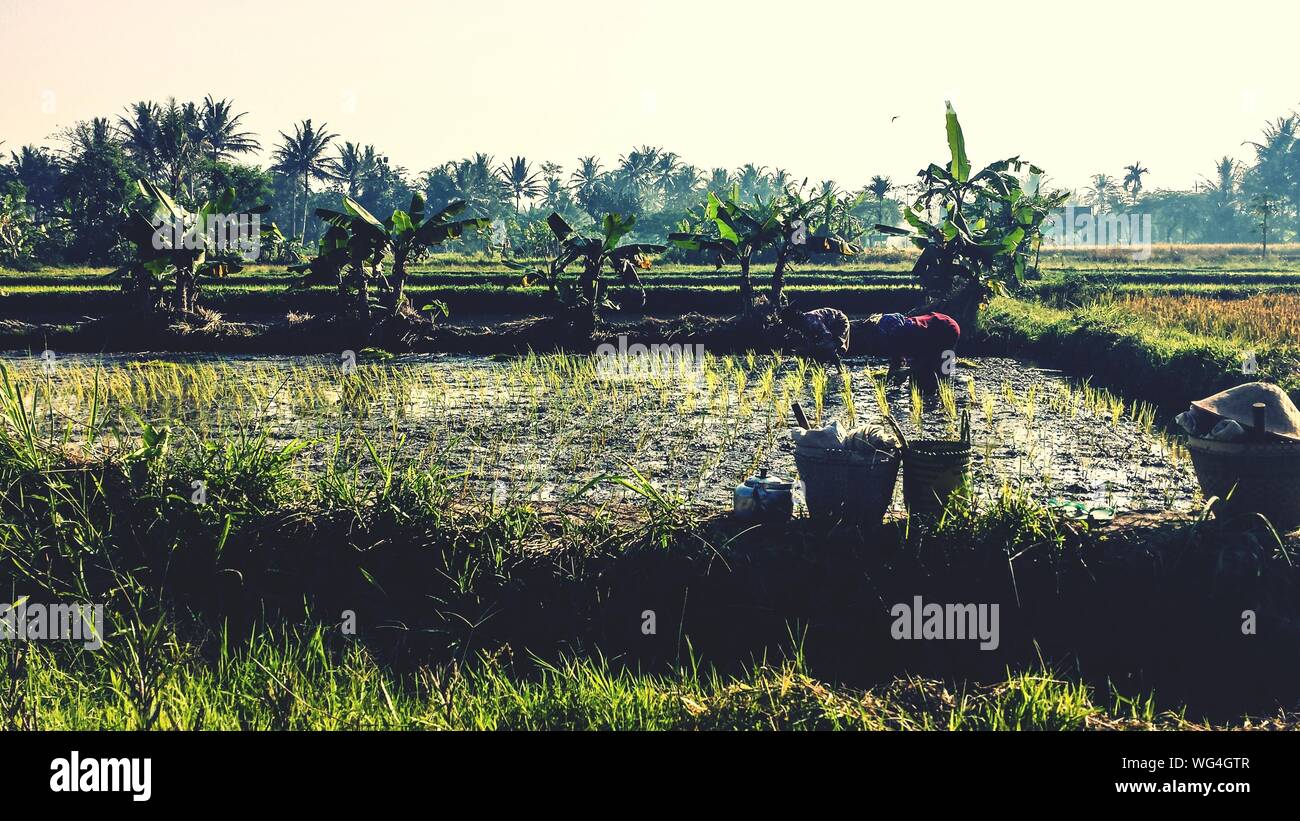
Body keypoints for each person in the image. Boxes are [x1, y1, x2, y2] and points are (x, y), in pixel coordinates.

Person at [866, 311, 961, 391]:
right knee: (915, 381)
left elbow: (926, 357)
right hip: (932, 329)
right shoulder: (893, 338)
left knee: (937, 372)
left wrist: (907, 372)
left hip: (948, 329)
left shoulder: (913, 334)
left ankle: (942, 394)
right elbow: (896, 360)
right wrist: (885, 382)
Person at [781, 306, 851, 364]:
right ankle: (823, 366)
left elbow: (827, 335)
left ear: (793, 320)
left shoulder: (811, 321)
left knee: (828, 347)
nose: (790, 327)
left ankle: (840, 369)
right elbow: (810, 340)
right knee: (816, 350)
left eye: (789, 324)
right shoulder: (801, 326)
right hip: (828, 326)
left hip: (839, 322)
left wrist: (816, 347)